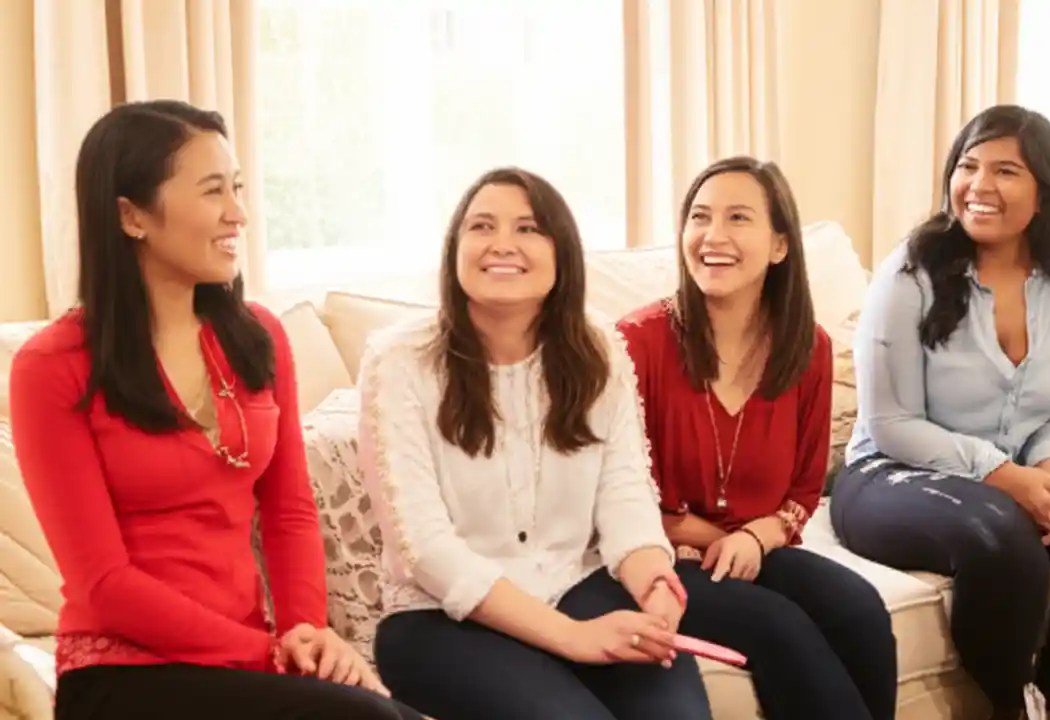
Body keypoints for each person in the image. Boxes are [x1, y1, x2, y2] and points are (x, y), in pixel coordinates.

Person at [8, 101, 416, 719]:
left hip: (249, 659)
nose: (239, 213)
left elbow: (289, 511)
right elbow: (103, 584)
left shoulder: (258, 337)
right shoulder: (53, 365)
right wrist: (270, 653)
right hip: (126, 671)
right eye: (213, 191)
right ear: (131, 214)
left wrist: (305, 629)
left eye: (239, 188)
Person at [829, 105, 1050, 720]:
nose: (979, 186)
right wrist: (1010, 480)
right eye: (968, 165)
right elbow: (892, 424)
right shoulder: (909, 275)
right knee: (1000, 531)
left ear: (1044, 191)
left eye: (1005, 171)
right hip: (890, 475)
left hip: (1014, 476)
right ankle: (1009, 708)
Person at [359, 167, 713, 720]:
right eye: (482, 226)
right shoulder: (399, 360)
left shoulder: (599, 348)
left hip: (577, 585)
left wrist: (656, 587)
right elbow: (424, 548)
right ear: (456, 248)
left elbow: (625, 496)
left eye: (528, 228)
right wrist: (572, 638)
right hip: (439, 620)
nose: (503, 244)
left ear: (561, 253)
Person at [619, 156, 898, 720]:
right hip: (660, 558)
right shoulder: (636, 345)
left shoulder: (810, 350)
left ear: (779, 245)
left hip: (754, 549)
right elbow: (619, 495)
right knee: (781, 629)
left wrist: (756, 537)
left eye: (738, 218)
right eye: (699, 218)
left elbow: (802, 488)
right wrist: (714, 536)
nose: (713, 236)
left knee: (861, 609)